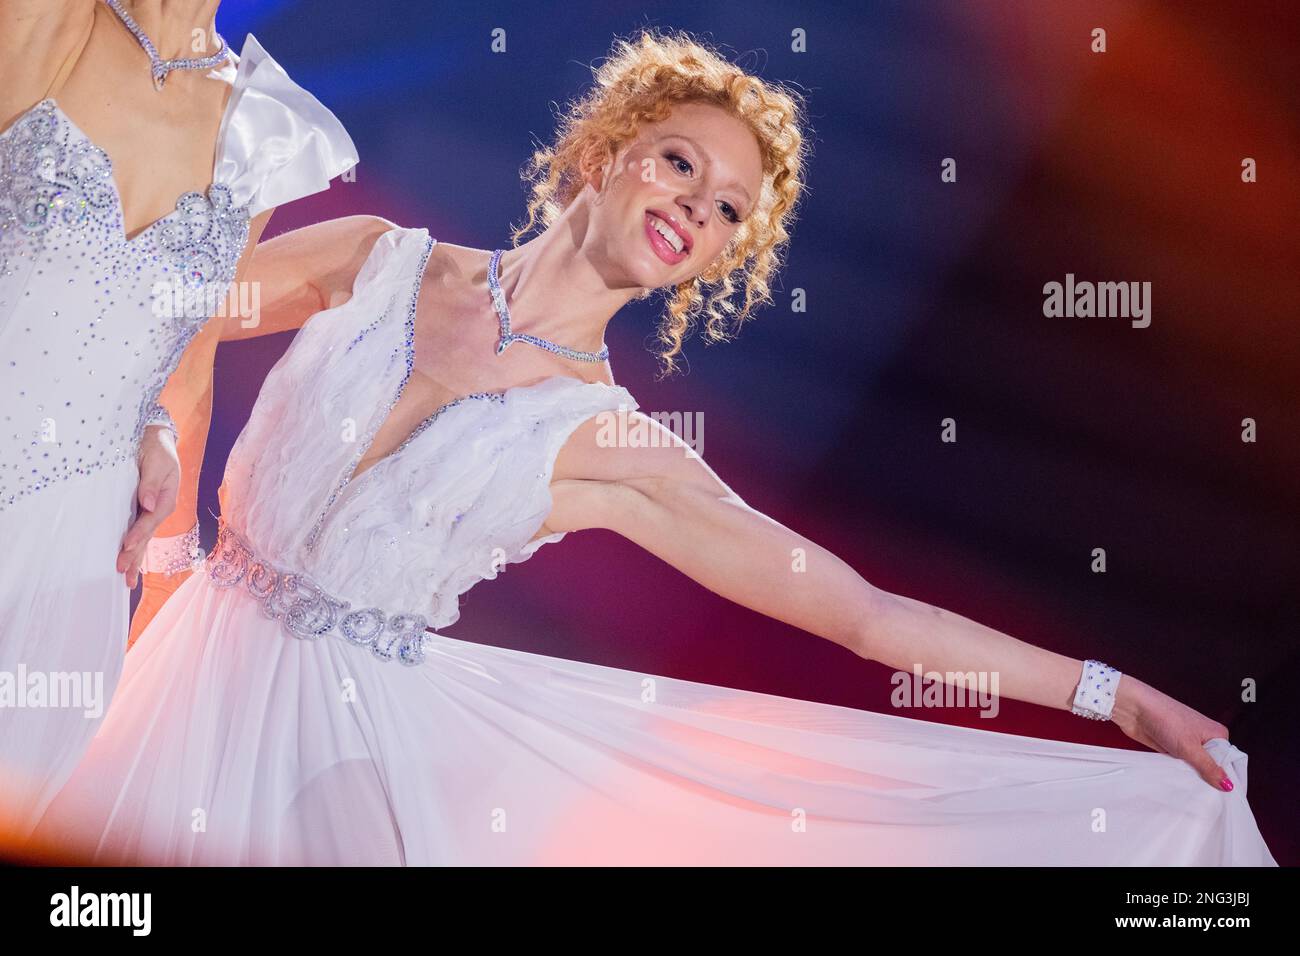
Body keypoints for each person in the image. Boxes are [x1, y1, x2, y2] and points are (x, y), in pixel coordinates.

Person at [30, 28, 1276, 865]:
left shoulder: (615, 448)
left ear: (727, 254)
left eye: (730, 208)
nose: (695, 205)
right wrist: (153, 436)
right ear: (611, 152)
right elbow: (168, 305)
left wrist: (1114, 695)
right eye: (682, 163)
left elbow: (868, 616)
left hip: (340, 761)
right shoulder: (376, 256)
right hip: (170, 666)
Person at [0, 0, 357, 837]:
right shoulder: (51, 20)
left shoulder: (268, 129)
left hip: (78, 542)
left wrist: (165, 566)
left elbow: (186, 369)